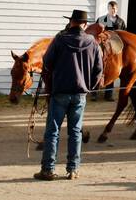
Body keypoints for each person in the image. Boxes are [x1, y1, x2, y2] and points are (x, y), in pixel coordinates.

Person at [36, 9, 103, 181]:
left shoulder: (60, 39)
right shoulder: (92, 42)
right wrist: (89, 86)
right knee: (75, 132)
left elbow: (47, 62)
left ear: (71, 22)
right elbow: (98, 70)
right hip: (80, 93)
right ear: (85, 24)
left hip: (60, 92)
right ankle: (73, 169)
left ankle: (48, 169)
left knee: (53, 132)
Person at [94, 2, 127, 100]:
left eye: (115, 9)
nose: (113, 10)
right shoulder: (101, 20)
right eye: (111, 8)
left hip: (114, 51)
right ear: (108, 8)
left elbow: (124, 35)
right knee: (97, 68)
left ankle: (109, 95)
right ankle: (94, 93)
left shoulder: (121, 21)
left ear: (117, 9)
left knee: (111, 70)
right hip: (102, 49)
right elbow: (95, 33)